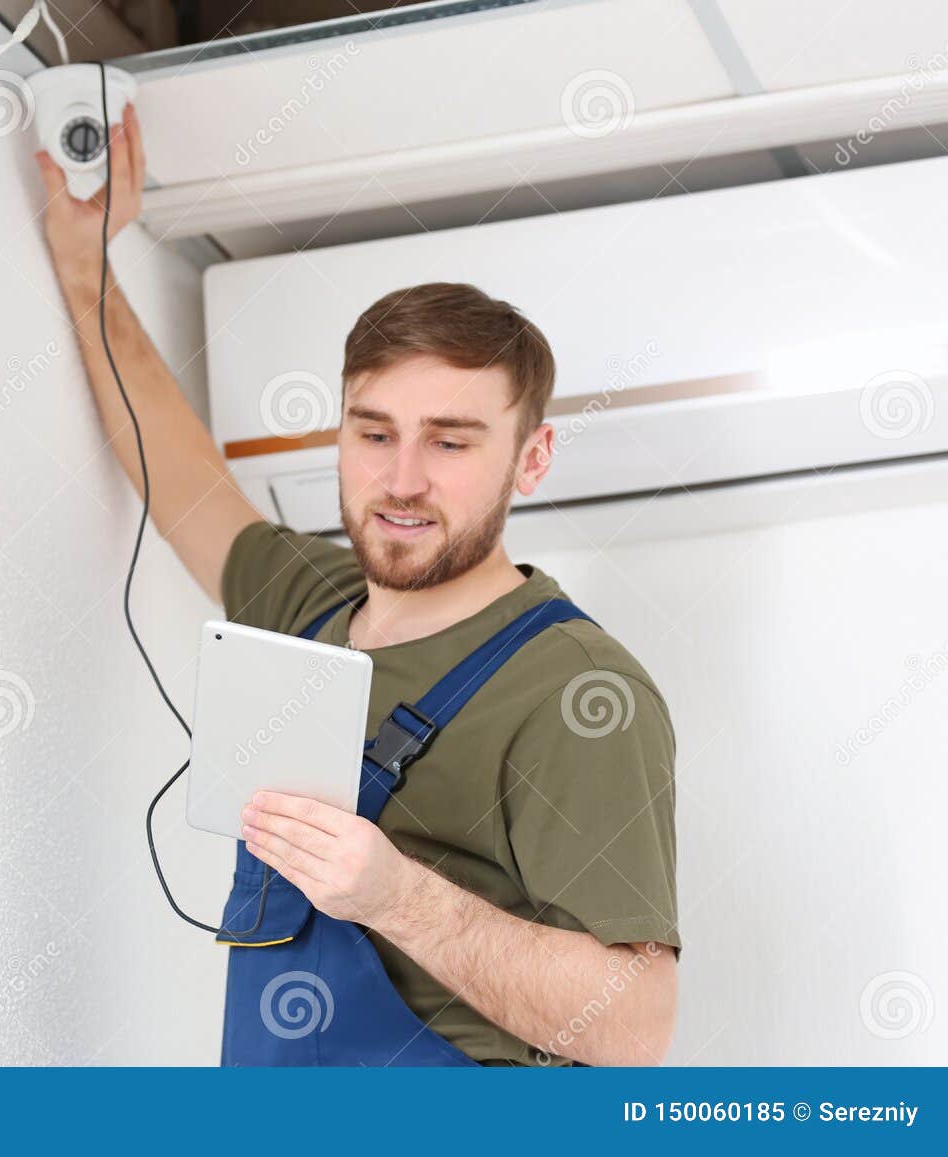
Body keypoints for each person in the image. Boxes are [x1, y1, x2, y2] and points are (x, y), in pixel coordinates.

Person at [35, 104, 679, 1067]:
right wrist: (86, 269)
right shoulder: (309, 609)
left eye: (450, 442)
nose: (402, 479)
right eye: (375, 433)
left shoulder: (577, 691)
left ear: (532, 458)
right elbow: (180, 475)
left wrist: (395, 896)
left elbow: (636, 1027)